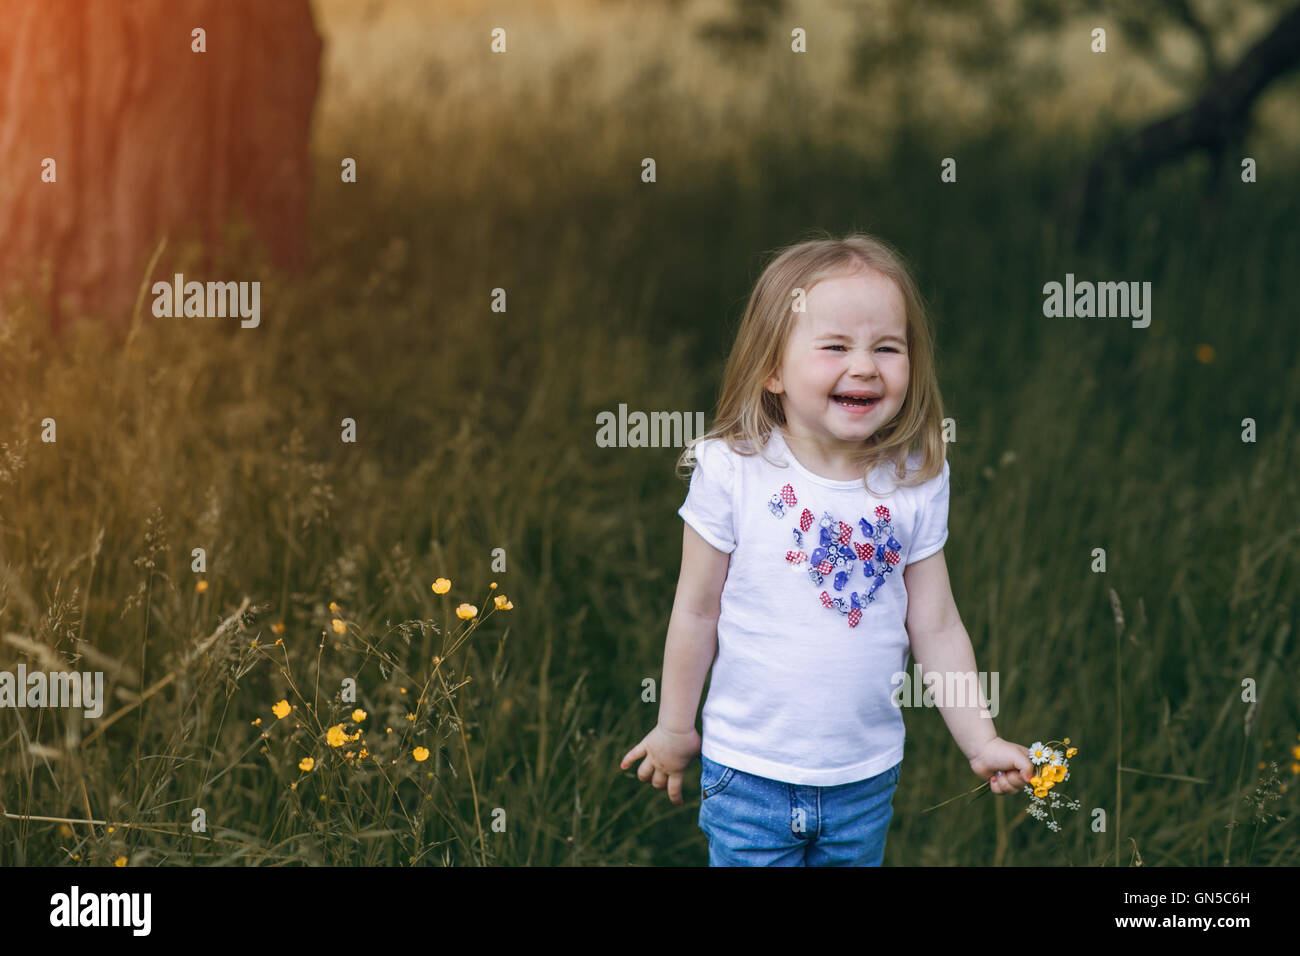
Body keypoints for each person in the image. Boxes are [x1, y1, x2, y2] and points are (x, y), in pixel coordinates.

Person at [619, 231, 1034, 866]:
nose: (864, 365)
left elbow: (936, 622)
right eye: (835, 346)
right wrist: (676, 727)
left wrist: (981, 740)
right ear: (773, 368)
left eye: (887, 348)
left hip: (863, 781)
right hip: (748, 773)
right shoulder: (734, 469)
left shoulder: (914, 478)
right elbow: (696, 611)